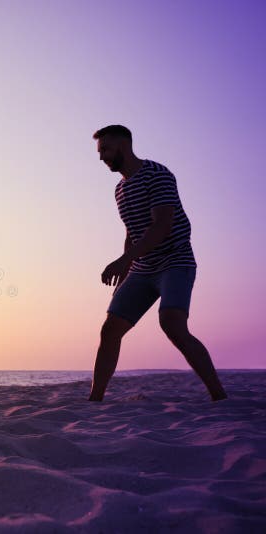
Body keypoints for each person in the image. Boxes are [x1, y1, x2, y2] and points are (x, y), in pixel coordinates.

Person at [90, 125, 227, 401]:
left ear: (123, 146)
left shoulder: (157, 174)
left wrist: (123, 260)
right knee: (110, 329)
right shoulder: (120, 189)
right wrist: (125, 274)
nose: (101, 156)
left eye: (105, 149)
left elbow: (162, 226)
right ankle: (95, 399)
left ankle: (219, 396)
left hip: (175, 260)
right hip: (141, 267)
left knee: (172, 324)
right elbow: (132, 232)